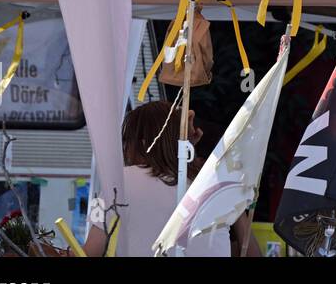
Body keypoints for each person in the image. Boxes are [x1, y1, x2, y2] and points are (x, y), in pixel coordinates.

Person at [82, 101, 260, 256]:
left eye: (127, 142)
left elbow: (90, 252)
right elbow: (249, 251)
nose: (125, 151)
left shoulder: (118, 182)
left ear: (143, 144)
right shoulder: (215, 183)